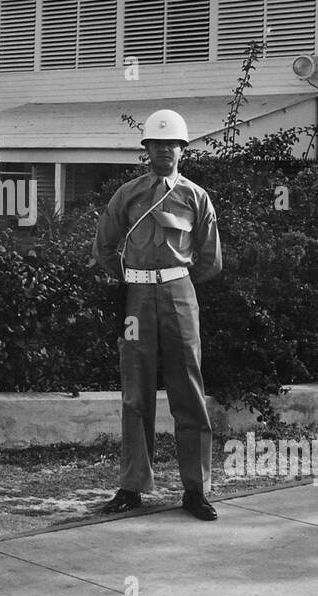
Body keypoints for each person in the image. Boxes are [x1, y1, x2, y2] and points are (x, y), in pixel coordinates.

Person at [94, 109, 223, 520]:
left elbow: (210, 259)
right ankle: (132, 486)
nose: (165, 150)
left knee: (188, 388)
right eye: (157, 144)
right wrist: (132, 278)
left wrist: (174, 282)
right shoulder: (128, 194)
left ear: (183, 149)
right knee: (135, 391)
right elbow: (104, 247)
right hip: (135, 298)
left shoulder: (195, 197)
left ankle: (196, 489)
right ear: (145, 149)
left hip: (178, 294)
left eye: (173, 144)